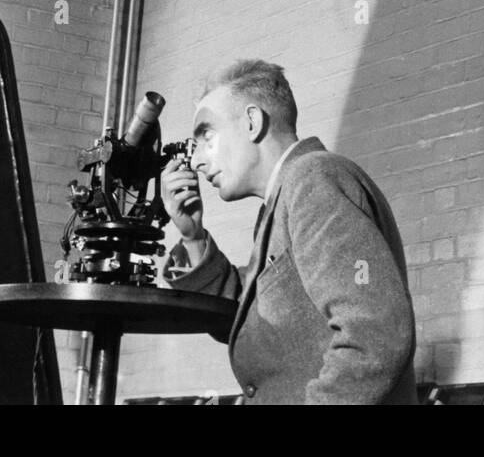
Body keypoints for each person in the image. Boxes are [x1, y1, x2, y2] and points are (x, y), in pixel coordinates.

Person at [159, 58, 417, 405]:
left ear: (252, 122)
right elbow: (252, 319)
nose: (197, 161)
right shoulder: (284, 198)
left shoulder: (312, 179)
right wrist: (193, 237)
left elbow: (377, 334)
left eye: (207, 136)